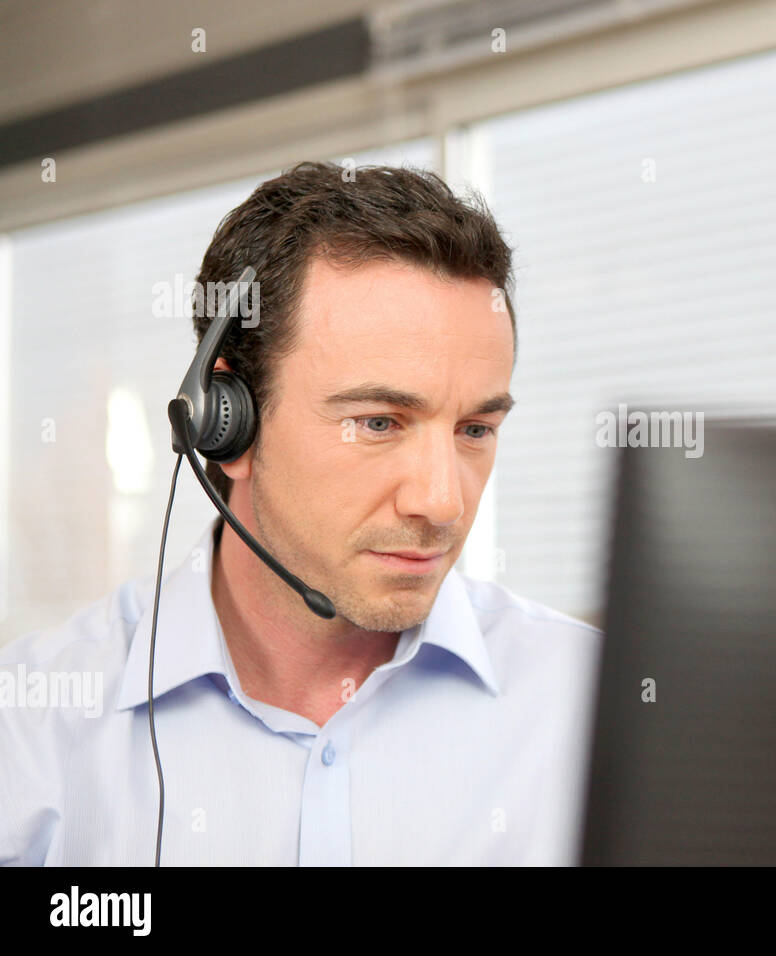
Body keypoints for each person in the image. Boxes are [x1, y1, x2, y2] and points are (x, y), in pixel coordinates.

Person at [0, 162, 602, 865]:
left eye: (475, 429)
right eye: (379, 423)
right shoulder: (34, 729)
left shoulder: (594, 707)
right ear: (226, 424)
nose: (442, 502)